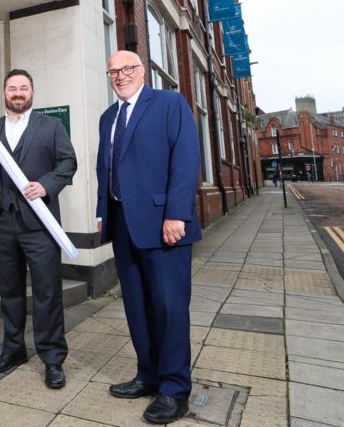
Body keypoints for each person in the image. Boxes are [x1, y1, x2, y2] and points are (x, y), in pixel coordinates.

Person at [96, 50, 200, 425]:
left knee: (170, 308)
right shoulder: (109, 117)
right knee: (137, 306)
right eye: (113, 71)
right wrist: (102, 215)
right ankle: (148, 374)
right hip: (124, 225)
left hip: (163, 225)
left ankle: (174, 389)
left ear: (142, 71)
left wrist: (177, 213)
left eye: (127, 69)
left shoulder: (170, 103)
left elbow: (186, 159)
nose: (120, 75)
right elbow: (104, 169)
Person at [0, 69, 77, 389]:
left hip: (39, 224)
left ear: (32, 91)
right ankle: (14, 349)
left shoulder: (51, 127)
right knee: (10, 291)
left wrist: (45, 186)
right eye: (12, 88)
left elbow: (68, 163)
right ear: (4, 92)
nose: (17, 93)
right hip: (1, 224)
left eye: (23, 88)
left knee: (47, 292)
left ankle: (52, 358)